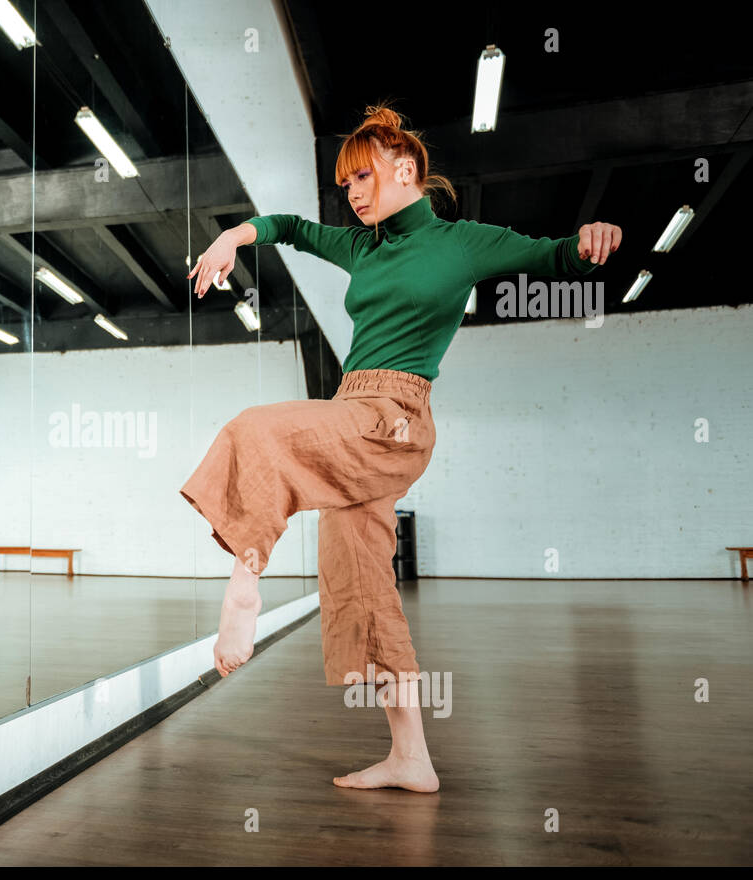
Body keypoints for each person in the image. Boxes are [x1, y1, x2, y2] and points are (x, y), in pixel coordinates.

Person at [182, 104, 622, 792]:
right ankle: (411, 756)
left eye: (363, 177)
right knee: (362, 581)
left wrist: (591, 238)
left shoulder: (462, 242)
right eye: (345, 184)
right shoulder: (363, 248)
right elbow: (291, 227)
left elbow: (554, 254)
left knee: (255, 429)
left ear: (406, 168)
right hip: (351, 409)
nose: (353, 195)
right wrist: (232, 238)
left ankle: (245, 581)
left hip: (396, 417)